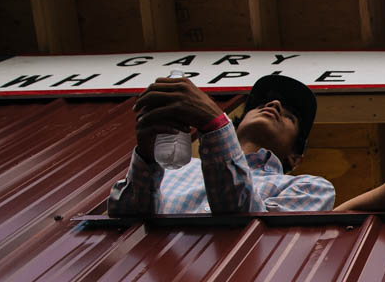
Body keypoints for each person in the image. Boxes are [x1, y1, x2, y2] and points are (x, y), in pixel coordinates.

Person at [108, 74, 335, 215]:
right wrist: (148, 157)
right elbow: (125, 221)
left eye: (289, 116)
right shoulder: (173, 169)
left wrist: (215, 124)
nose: (274, 104)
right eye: (258, 106)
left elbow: (259, 239)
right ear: (235, 128)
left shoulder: (311, 188)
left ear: (296, 157)